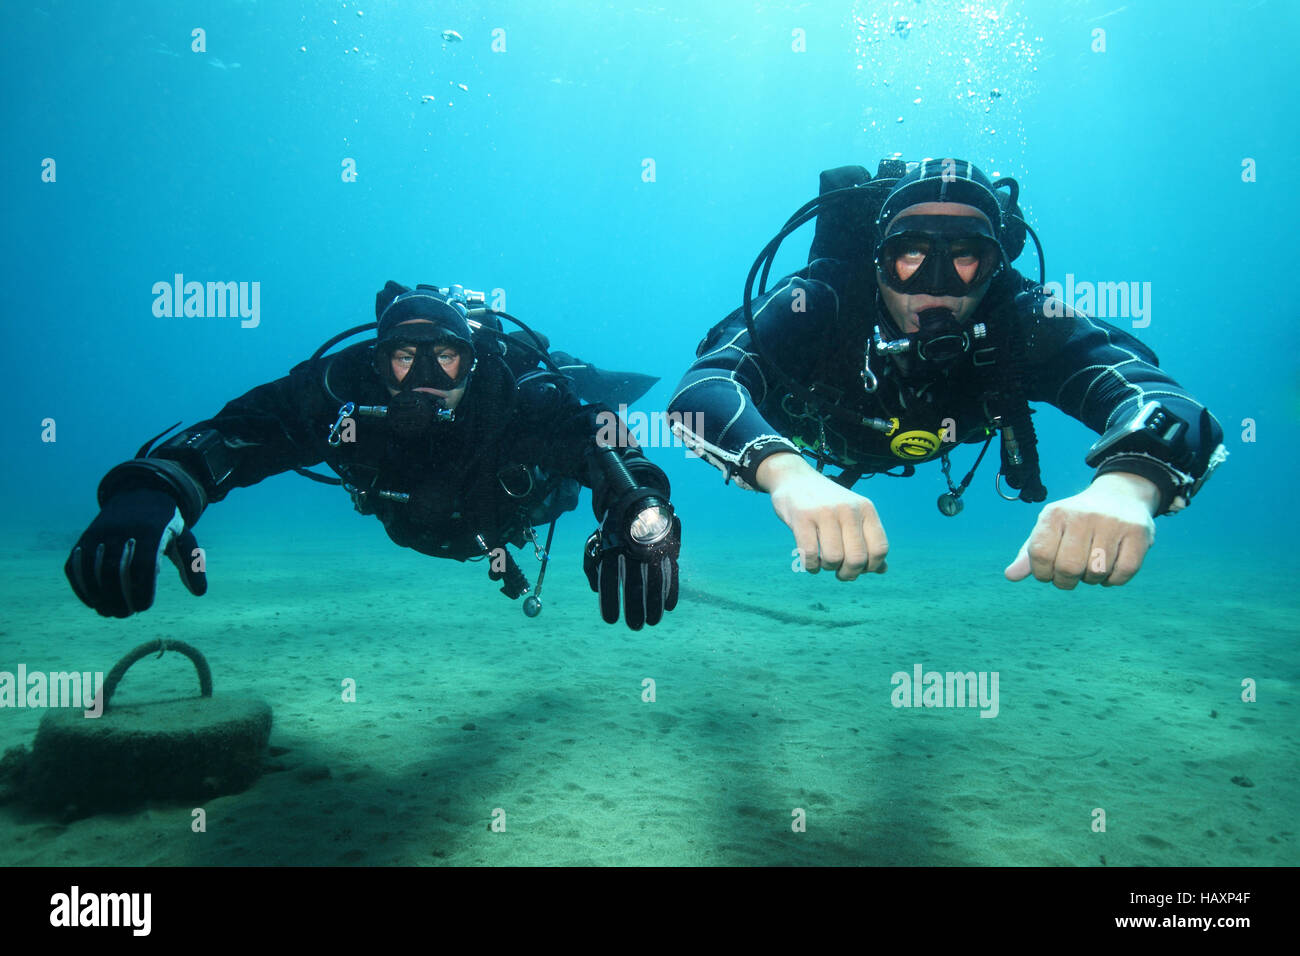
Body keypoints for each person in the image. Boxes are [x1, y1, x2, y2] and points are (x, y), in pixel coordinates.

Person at [668, 157, 1226, 589]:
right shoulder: (818, 303)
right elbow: (703, 390)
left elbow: (1154, 395)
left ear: (995, 265)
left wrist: (1129, 486)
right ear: (877, 258)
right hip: (805, 444)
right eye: (910, 255)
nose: (935, 283)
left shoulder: (1021, 320)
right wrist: (785, 473)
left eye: (965, 257)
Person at [65, 281, 681, 629]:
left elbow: (593, 434)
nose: (424, 377)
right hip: (418, 522)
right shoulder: (341, 395)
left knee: (576, 421)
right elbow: (247, 429)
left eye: (447, 357)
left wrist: (636, 500)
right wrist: (157, 488)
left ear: (475, 360)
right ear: (376, 362)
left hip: (517, 509)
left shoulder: (509, 397)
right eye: (402, 358)